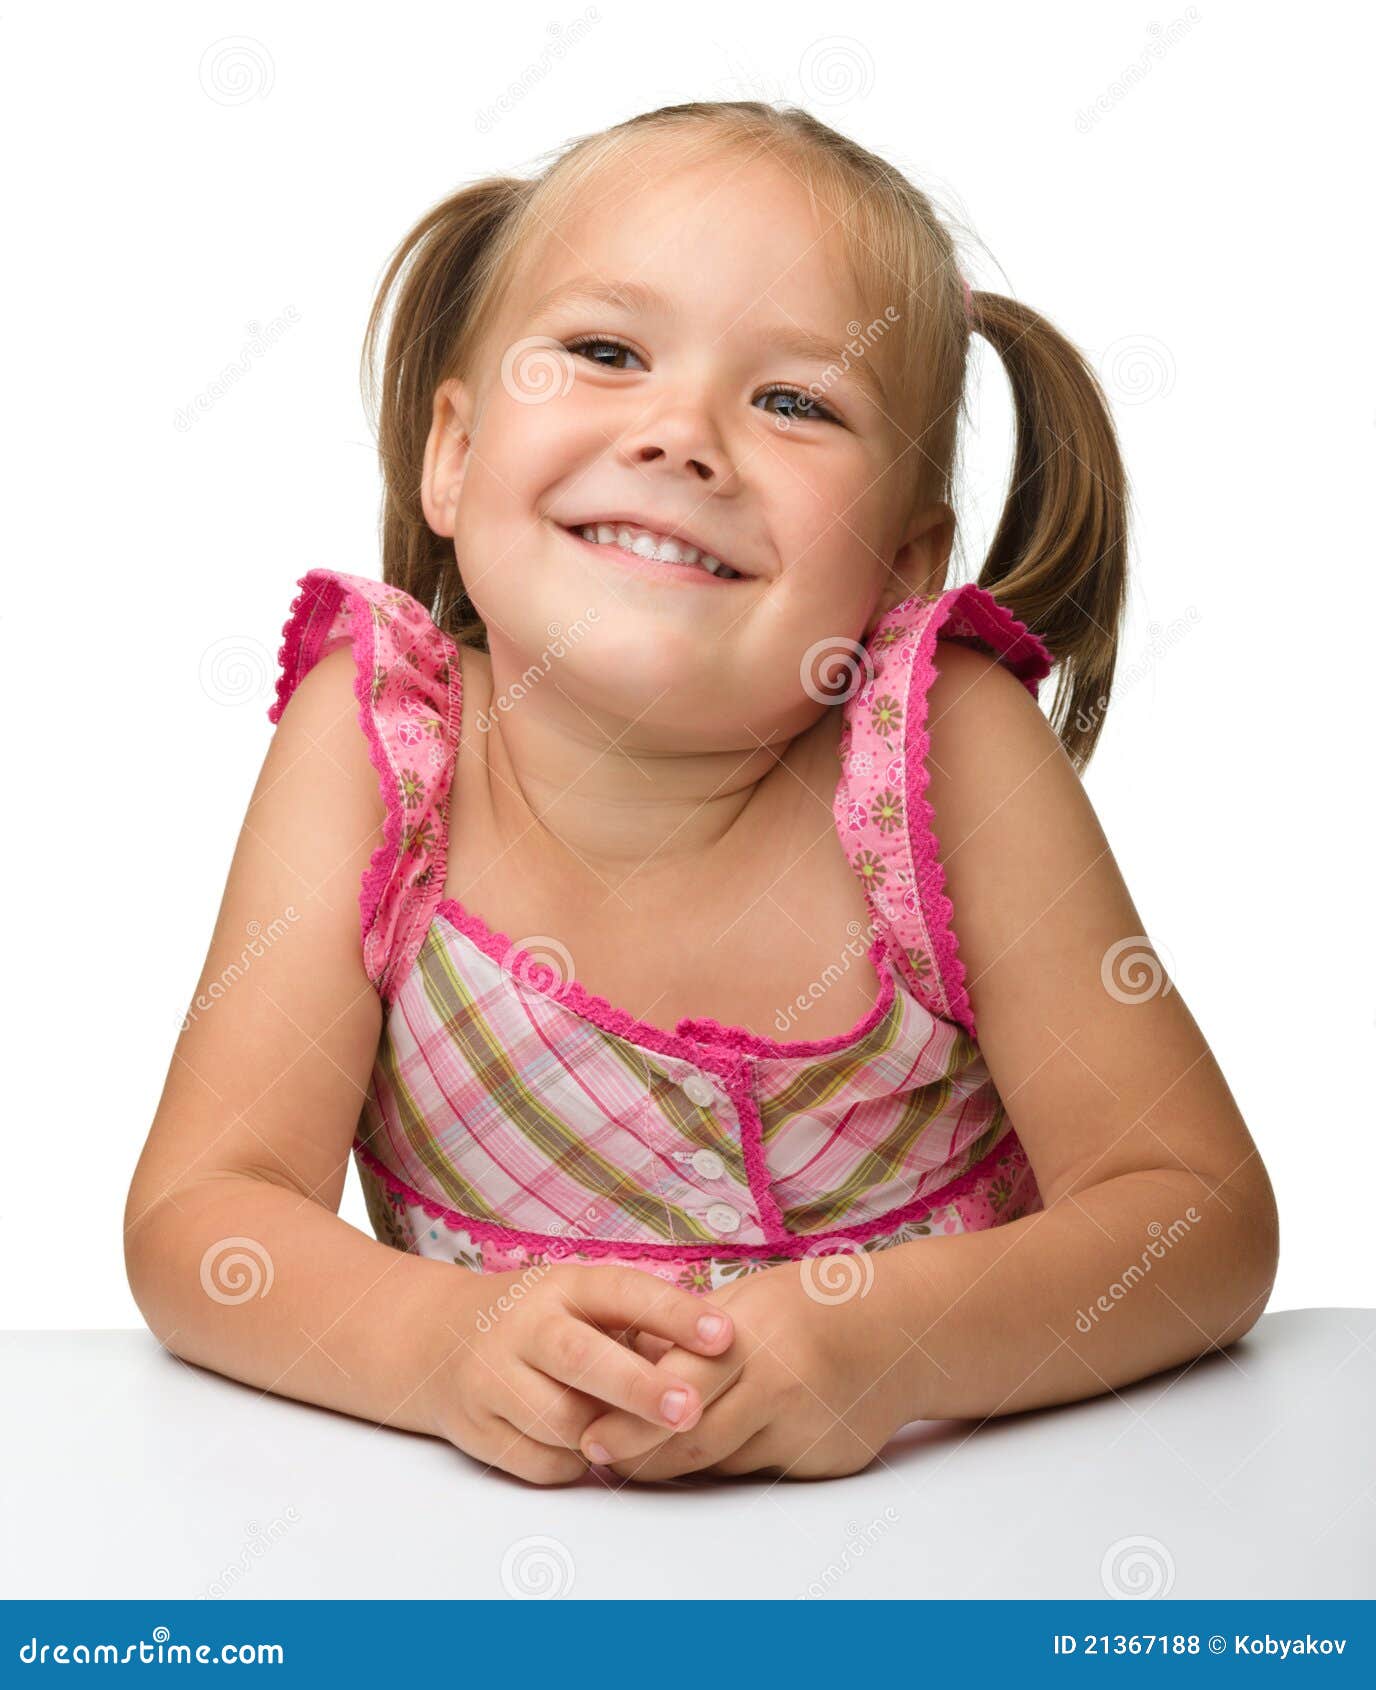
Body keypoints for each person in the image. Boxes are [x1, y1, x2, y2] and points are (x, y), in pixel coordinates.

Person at [125, 100, 1279, 1488]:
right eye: (607, 352)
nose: (681, 434)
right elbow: (203, 1216)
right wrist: (439, 1343)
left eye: (794, 400)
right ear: (453, 450)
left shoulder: (944, 757)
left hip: (955, 1554)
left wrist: (884, 1349)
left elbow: (1197, 1218)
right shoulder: (377, 748)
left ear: (905, 567)